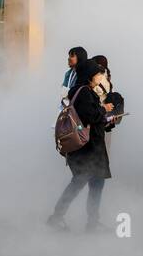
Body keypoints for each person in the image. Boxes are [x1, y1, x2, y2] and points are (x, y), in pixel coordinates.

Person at [48, 59, 113, 233]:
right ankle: (57, 217)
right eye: (98, 73)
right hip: (87, 149)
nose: (101, 76)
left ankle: (92, 222)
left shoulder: (81, 90)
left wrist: (104, 117)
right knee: (79, 184)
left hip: (89, 149)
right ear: (89, 75)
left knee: (96, 184)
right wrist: (104, 110)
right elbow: (90, 115)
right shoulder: (84, 92)